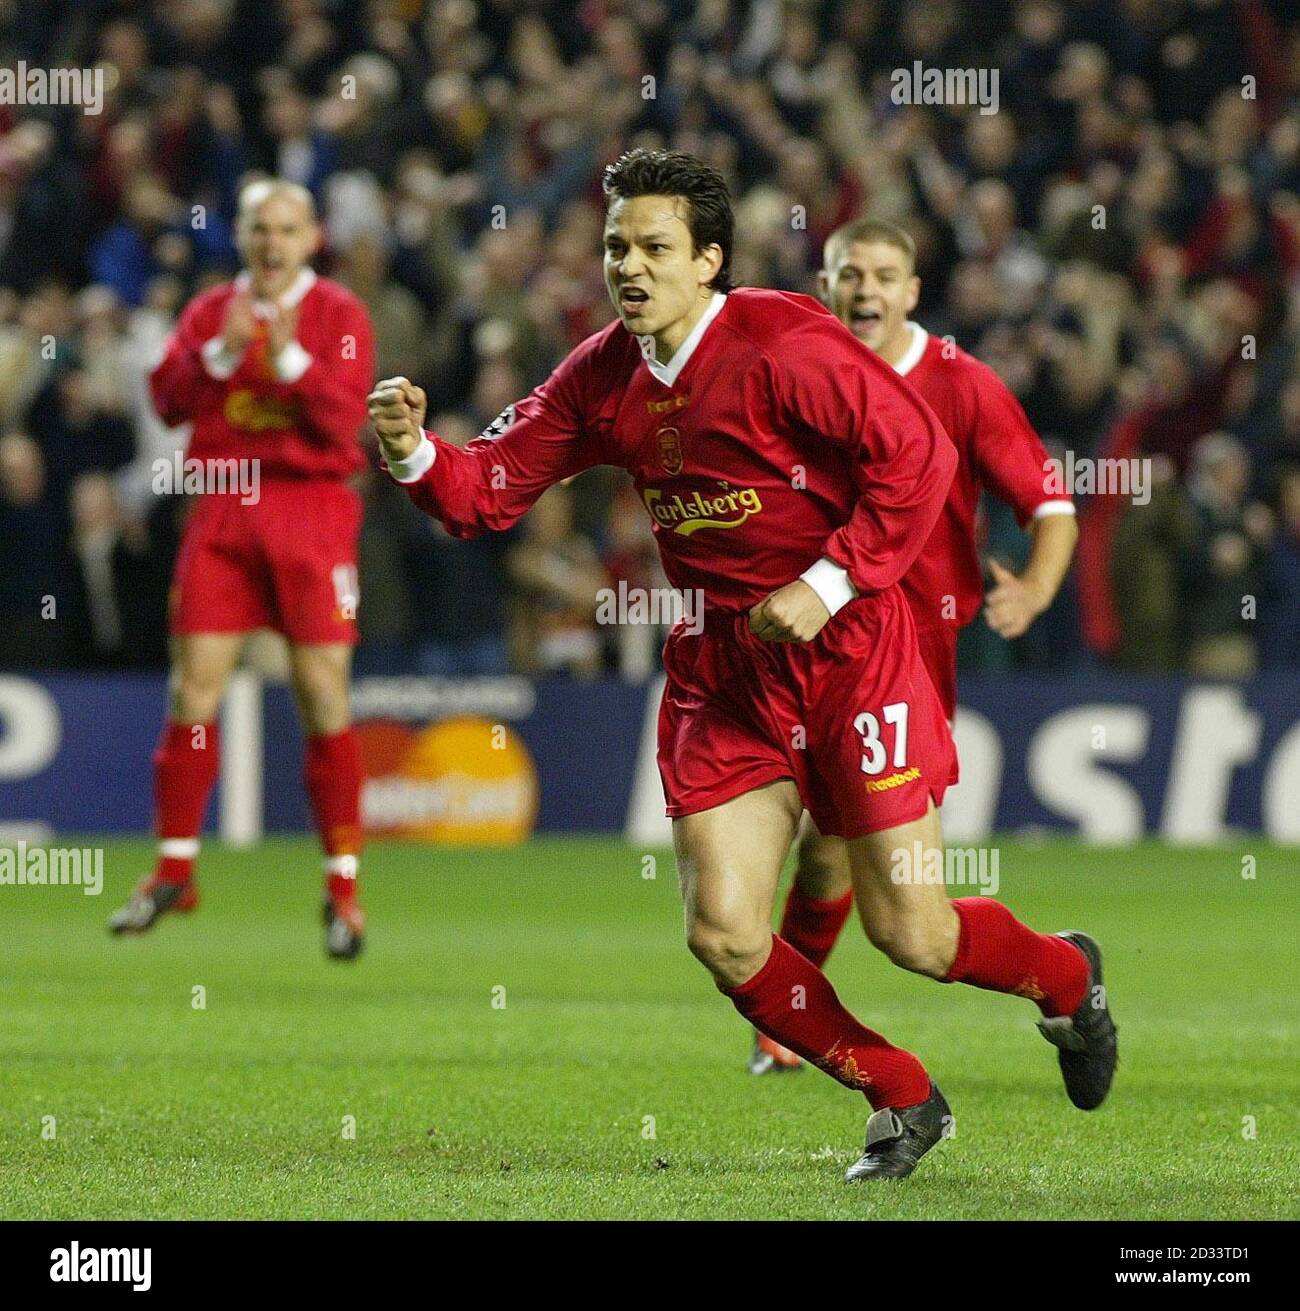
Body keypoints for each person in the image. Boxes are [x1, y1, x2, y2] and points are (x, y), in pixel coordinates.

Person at [368, 150, 1116, 1182]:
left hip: (854, 654)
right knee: (723, 934)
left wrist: (832, 579)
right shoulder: (602, 374)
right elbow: (486, 489)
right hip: (725, 671)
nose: (628, 266)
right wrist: (413, 451)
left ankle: (1069, 980)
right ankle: (898, 1092)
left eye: (654, 248)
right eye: (615, 246)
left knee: (916, 935)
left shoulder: (783, 341)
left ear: (709, 260)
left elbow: (918, 457)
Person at [750, 217, 1082, 1075]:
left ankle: (1062, 968)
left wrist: (1039, 586)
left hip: (914, 652)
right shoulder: (799, 372)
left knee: (896, 909)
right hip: (814, 637)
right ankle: (783, 1025)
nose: (865, 289)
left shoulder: (960, 382)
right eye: (849, 273)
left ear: (911, 292)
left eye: (883, 275)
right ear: (825, 286)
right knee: (824, 849)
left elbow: (1048, 501)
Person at [107, 179, 376, 960]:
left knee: (323, 695)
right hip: (223, 508)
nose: (272, 243)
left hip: (310, 511)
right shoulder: (208, 311)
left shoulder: (340, 316)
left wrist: (288, 357)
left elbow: (342, 421)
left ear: (311, 237)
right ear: (242, 234)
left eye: (287, 229)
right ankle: (174, 870)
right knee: (192, 689)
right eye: (261, 228)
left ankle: (343, 889)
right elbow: (165, 401)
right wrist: (222, 351)